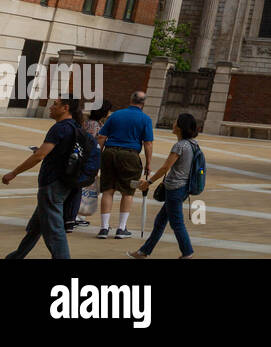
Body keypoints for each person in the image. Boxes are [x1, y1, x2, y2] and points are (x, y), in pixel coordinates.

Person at [3, 96, 82, 260]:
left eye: (55, 104)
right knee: (35, 227)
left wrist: (14, 173)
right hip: (63, 182)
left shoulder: (60, 128)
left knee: (55, 231)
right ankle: (16, 256)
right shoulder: (75, 127)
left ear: (65, 108)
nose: (51, 107)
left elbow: (39, 155)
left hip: (52, 184)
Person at [129, 113, 200, 259]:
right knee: (160, 222)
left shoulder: (180, 146)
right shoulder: (193, 144)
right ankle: (144, 252)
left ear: (180, 127)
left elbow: (165, 168)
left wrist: (148, 182)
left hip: (175, 189)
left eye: (175, 122)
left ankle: (187, 252)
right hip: (183, 188)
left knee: (176, 223)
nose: (173, 124)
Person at [95, 90, 154, 239]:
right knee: (128, 192)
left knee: (108, 190)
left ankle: (104, 228)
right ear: (143, 103)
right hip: (130, 155)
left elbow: (102, 136)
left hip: (109, 152)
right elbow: (148, 143)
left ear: (130, 99)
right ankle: (121, 228)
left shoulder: (115, 115)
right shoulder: (145, 119)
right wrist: (148, 164)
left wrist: (97, 156)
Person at [63, 101, 109, 232]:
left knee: (81, 189)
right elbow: (90, 142)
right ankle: (74, 215)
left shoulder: (89, 122)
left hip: (84, 159)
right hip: (87, 160)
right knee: (81, 189)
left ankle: (74, 215)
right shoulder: (94, 125)